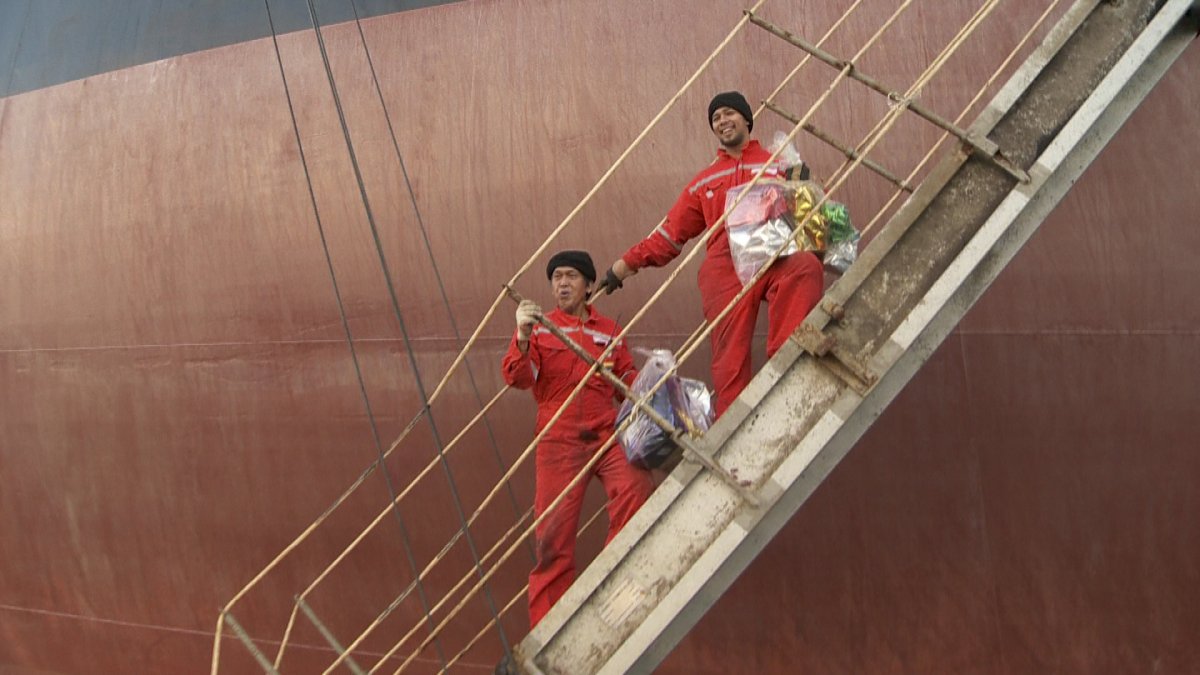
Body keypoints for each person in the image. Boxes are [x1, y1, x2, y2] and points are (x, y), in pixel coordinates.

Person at [597, 91, 824, 417]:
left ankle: (788, 362)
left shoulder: (779, 163)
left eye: (729, 114)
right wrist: (621, 268)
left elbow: (814, 208)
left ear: (747, 119)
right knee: (729, 358)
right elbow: (668, 237)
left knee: (804, 265)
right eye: (716, 118)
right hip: (725, 267)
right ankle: (734, 423)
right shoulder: (704, 180)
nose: (722, 121)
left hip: (774, 254)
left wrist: (808, 184)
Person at [500, 249, 655, 627]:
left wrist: (653, 387)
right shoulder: (539, 327)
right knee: (552, 540)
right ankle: (549, 628)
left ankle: (614, 585)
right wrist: (521, 334)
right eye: (556, 278)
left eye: (571, 276)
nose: (562, 284)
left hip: (607, 433)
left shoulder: (609, 330)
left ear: (588, 285)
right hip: (559, 440)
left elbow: (627, 380)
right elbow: (517, 378)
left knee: (637, 489)